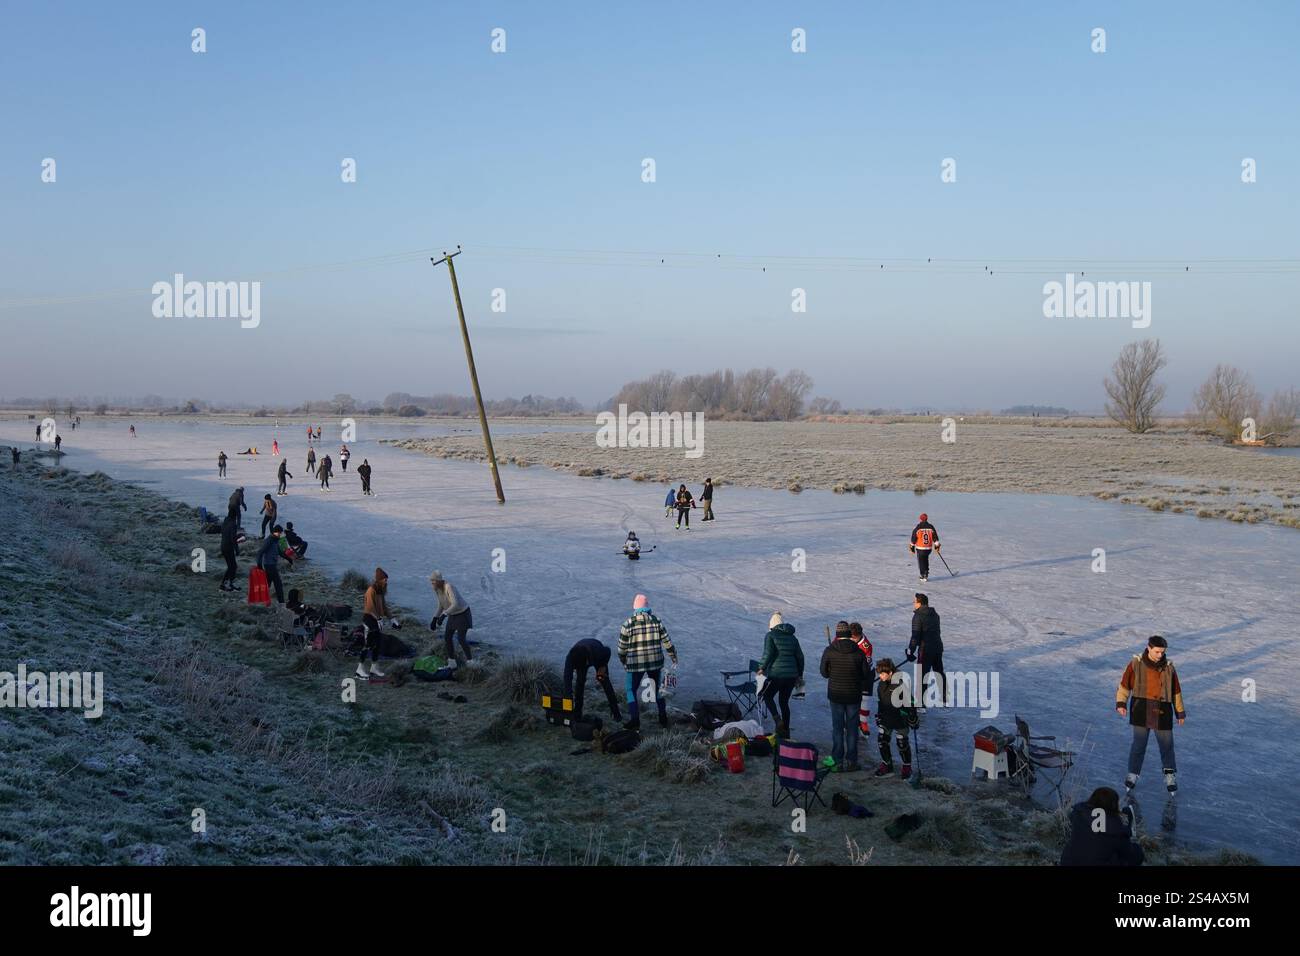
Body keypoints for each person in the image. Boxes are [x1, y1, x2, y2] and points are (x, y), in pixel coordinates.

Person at [1117, 635, 1186, 795]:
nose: (1160, 655)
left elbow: (1176, 691)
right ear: (1149, 648)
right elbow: (1124, 684)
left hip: (1163, 710)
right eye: (1157, 652)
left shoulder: (1169, 668)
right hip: (1141, 708)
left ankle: (1169, 775)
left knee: (1167, 745)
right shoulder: (1136, 664)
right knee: (1139, 745)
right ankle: (1133, 774)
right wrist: (1121, 703)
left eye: (1162, 652)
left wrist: (1180, 712)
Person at [617, 594, 678, 730]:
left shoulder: (628, 623)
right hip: (655, 662)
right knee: (657, 689)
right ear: (647, 607)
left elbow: (622, 648)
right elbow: (667, 641)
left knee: (630, 689)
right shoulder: (656, 621)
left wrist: (623, 660)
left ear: (635, 607)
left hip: (635, 664)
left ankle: (635, 720)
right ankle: (663, 718)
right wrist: (673, 655)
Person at [821, 620, 873, 771]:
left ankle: (837, 760)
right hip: (853, 695)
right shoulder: (858, 652)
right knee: (851, 729)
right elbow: (865, 674)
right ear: (849, 634)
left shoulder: (829, 650)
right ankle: (852, 761)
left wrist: (834, 671)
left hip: (836, 695)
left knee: (837, 728)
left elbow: (824, 673)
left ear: (837, 634)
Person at [1059, 787, 1144, 866]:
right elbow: (1129, 854)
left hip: (1067, 862)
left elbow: (1084, 817)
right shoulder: (1117, 831)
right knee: (1136, 853)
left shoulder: (1078, 814)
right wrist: (1126, 830)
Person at [757, 612, 804, 739]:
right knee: (784, 702)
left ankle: (778, 721)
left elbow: (768, 653)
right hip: (791, 676)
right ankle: (785, 732)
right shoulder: (793, 638)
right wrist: (799, 675)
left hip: (776, 674)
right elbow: (800, 657)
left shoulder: (771, 635)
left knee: (767, 696)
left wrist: (761, 668)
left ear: (772, 625)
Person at [873, 658, 919, 779]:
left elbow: (911, 701)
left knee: (901, 742)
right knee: (882, 739)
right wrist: (879, 715)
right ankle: (886, 765)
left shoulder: (900, 684)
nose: (881, 676)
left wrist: (913, 717)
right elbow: (881, 702)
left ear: (891, 673)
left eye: (883, 674)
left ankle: (907, 767)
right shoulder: (881, 685)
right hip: (886, 717)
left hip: (900, 718)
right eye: (879, 674)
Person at [563, 639, 623, 722]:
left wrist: (602, 667)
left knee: (604, 681)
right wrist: (568, 700)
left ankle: (616, 713)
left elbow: (608, 651)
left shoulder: (599, 652)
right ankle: (577, 715)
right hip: (581, 658)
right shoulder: (570, 658)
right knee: (580, 684)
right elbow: (567, 680)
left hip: (597, 656)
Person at [907, 593, 946, 706]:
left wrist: (910, 651)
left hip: (925, 649)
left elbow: (915, 635)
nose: (914, 604)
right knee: (939, 671)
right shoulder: (935, 614)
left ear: (920, 603)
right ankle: (944, 698)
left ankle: (921, 703)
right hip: (938, 647)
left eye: (915, 602)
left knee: (922, 675)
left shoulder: (918, 616)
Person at [430, 571, 473, 661]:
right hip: (452, 614)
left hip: (463, 613)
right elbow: (441, 605)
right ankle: (452, 662)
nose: (432, 583)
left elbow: (456, 604)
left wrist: (444, 615)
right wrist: (435, 618)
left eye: (433, 581)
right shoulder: (437, 589)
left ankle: (471, 662)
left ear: (439, 580)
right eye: (431, 581)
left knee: (461, 639)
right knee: (447, 637)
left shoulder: (448, 587)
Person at [358, 568, 390, 679]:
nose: (386, 582)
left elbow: (384, 607)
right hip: (369, 620)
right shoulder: (371, 590)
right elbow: (370, 608)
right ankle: (359, 669)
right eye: (385, 580)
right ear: (379, 580)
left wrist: (392, 619)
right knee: (367, 645)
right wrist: (378, 619)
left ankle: (374, 668)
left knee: (377, 645)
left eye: (386, 580)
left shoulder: (380, 592)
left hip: (376, 621)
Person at [849, 622, 875, 736]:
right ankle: (850, 721)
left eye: (854, 638)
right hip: (851, 672)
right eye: (851, 637)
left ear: (860, 635)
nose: (852, 639)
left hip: (865, 674)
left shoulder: (866, 646)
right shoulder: (846, 637)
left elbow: (864, 667)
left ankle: (863, 722)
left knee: (864, 699)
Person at [255, 525, 287, 604]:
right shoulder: (269, 540)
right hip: (269, 565)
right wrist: (259, 565)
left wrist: (289, 559)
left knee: (267, 584)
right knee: (278, 584)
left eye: (280, 533)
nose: (280, 535)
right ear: (275, 532)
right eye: (279, 533)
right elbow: (260, 552)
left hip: (271, 564)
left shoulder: (275, 540)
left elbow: (280, 552)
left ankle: (259, 599)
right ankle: (282, 603)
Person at [909, 513, 940, 583]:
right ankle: (926, 572)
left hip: (920, 548)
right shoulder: (931, 527)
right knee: (926, 559)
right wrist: (936, 545)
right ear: (927, 519)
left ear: (920, 519)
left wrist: (912, 547)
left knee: (921, 561)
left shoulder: (918, 527)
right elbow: (935, 537)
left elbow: (914, 538)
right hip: (928, 548)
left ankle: (923, 575)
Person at [219, 510, 240, 591]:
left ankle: (229, 584)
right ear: (235, 517)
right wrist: (237, 549)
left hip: (223, 546)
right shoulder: (233, 524)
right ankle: (225, 584)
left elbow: (226, 534)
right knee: (232, 566)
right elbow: (232, 538)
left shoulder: (225, 522)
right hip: (228, 547)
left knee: (232, 566)